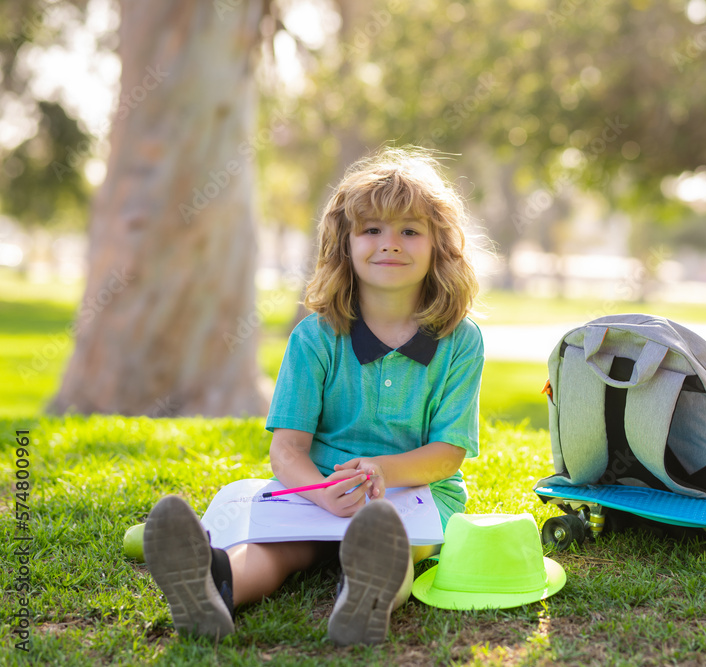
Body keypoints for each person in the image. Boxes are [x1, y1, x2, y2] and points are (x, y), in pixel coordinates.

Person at [143, 146, 485, 646]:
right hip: (316, 491)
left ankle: (365, 599)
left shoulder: (460, 340)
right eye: (372, 230)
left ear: (440, 247)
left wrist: (383, 474)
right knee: (277, 549)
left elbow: (448, 454)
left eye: (409, 231)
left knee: (397, 547)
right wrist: (320, 492)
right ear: (343, 244)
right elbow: (286, 450)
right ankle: (212, 589)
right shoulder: (315, 338)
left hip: (411, 495)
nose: (389, 244)